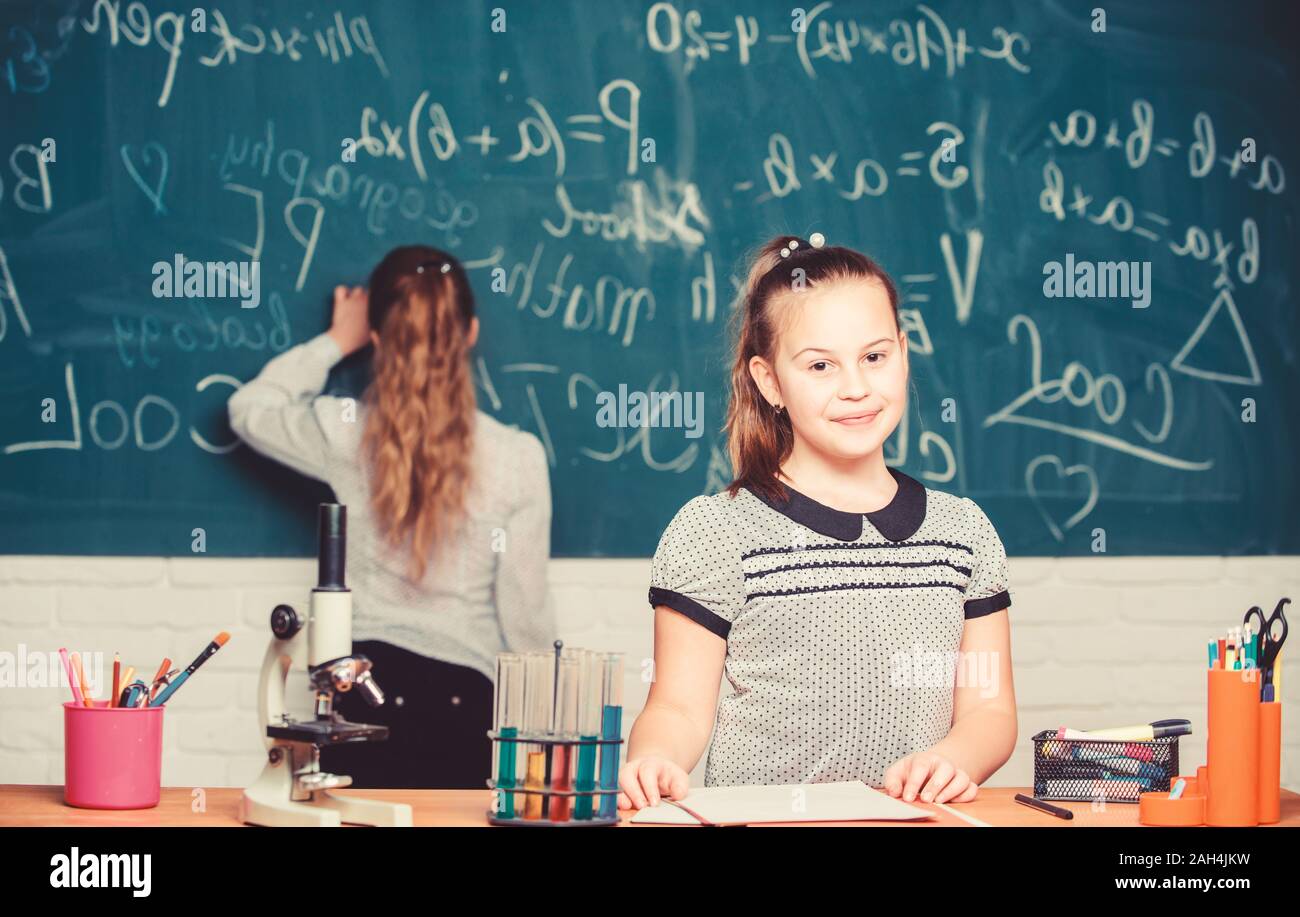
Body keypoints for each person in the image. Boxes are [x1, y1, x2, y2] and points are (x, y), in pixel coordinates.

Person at [621, 233, 1016, 809]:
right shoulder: (716, 531)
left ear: (903, 353)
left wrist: (954, 760)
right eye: (821, 365)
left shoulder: (965, 533)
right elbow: (676, 707)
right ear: (770, 381)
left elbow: (989, 709)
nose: (856, 388)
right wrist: (653, 761)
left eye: (875, 357)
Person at [228, 245, 556, 788]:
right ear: (470, 333)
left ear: (377, 336)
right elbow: (527, 622)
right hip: (468, 709)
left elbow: (249, 409)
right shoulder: (518, 458)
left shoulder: (345, 432)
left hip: (361, 699)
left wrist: (339, 337)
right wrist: (545, 745)